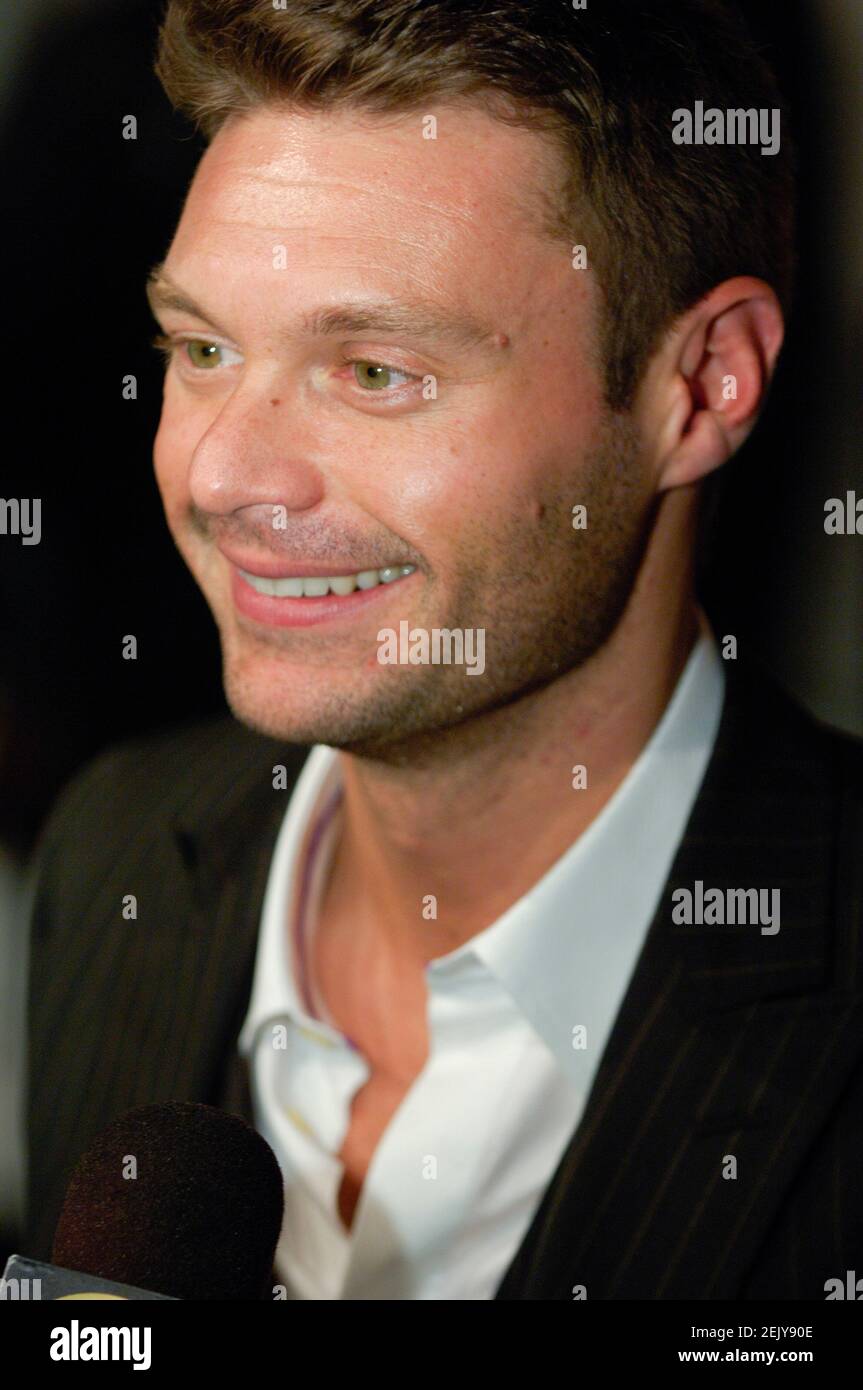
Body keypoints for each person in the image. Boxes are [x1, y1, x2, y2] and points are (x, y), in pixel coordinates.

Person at [24, 0, 863, 1299]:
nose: (227, 472)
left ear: (700, 386)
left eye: (376, 373)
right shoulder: (116, 851)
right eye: (203, 348)